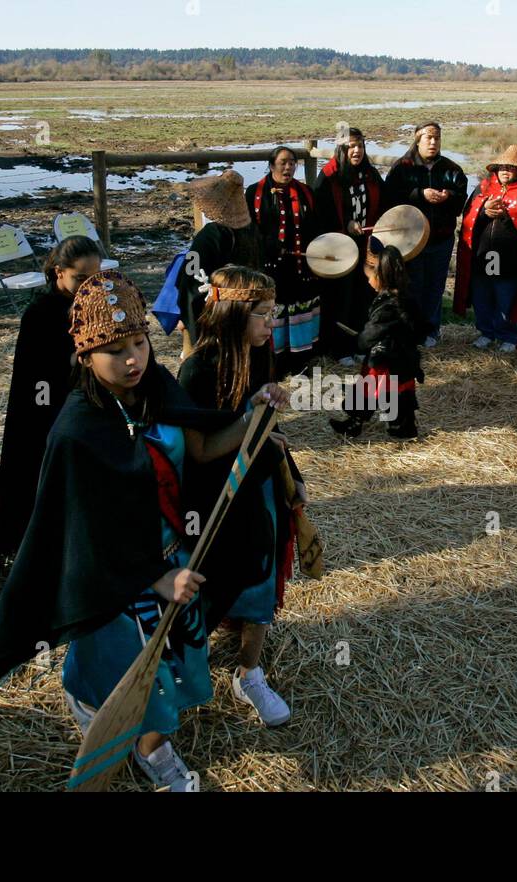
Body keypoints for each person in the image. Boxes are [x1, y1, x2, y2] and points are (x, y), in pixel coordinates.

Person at [0, 270, 289, 791]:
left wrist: (249, 417)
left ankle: (148, 737)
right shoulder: (76, 433)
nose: (134, 359)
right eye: (115, 350)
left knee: (176, 661)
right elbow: (84, 534)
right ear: (86, 356)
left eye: (139, 342)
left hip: (174, 558)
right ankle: (148, 747)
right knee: (136, 673)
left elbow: (200, 450)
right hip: (115, 583)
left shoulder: (157, 387)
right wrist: (154, 578)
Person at [178, 265, 304, 726]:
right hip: (214, 503)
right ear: (233, 313)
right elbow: (202, 449)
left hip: (258, 493)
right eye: (263, 314)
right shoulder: (197, 370)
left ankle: (249, 673)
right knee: (205, 593)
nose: (272, 324)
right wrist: (251, 418)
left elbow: (266, 430)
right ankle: (183, 673)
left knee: (260, 586)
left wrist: (292, 476)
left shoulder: (257, 354)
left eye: (273, 314)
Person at [0, 235, 101, 550]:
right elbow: (37, 373)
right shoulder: (40, 313)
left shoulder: (93, 301)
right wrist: (75, 359)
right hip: (44, 409)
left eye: (94, 278)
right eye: (80, 278)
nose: (88, 285)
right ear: (59, 272)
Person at [452, 144, 517, 354]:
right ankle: (486, 332)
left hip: (510, 258)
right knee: (482, 295)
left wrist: (506, 216)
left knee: (505, 297)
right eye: (502, 166)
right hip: (483, 255)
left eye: (511, 167)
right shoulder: (483, 187)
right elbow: (469, 217)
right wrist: (485, 212)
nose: (505, 170)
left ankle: (507, 335)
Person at [383, 122, 468, 347]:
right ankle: (411, 330)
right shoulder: (403, 167)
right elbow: (390, 198)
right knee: (412, 285)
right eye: (428, 138)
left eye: (437, 138)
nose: (433, 142)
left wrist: (448, 196)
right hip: (411, 240)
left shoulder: (452, 169)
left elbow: (461, 201)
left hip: (441, 238)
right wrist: (419, 194)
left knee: (435, 285)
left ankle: (431, 330)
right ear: (417, 139)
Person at [330, 240, 423, 440]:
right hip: (401, 357)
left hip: (387, 359)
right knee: (393, 392)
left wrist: (359, 342)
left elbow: (370, 335)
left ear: (382, 275)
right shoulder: (406, 297)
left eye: (371, 277)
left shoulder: (388, 306)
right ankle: (392, 426)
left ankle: (398, 428)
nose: (369, 281)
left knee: (376, 391)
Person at [313, 128, 388, 364]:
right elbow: (320, 214)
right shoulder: (328, 177)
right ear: (342, 149)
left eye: (361, 146)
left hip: (366, 245)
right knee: (341, 299)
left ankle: (361, 345)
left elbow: (383, 203)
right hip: (339, 248)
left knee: (364, 296)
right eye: (351, 146)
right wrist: (345, 223)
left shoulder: (370, 174)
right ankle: (340, 349)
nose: (357, 151)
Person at [247, 146, 320, 375]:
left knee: (300, 312)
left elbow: (316, 225)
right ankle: (275, 364)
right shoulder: (254, 193)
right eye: (282, 163)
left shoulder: (306, 192)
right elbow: (249, 229)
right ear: (271, 166)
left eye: (292, 163)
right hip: (270, 267)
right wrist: (265, 244)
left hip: (300, 267)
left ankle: (301, 360)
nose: (288, 167)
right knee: (274, 313)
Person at [176, 170, 263, 357]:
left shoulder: (211, 235)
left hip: (218, 308)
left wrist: (190, 315)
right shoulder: (252, 231)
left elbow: (192, 280)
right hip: (247, 307)